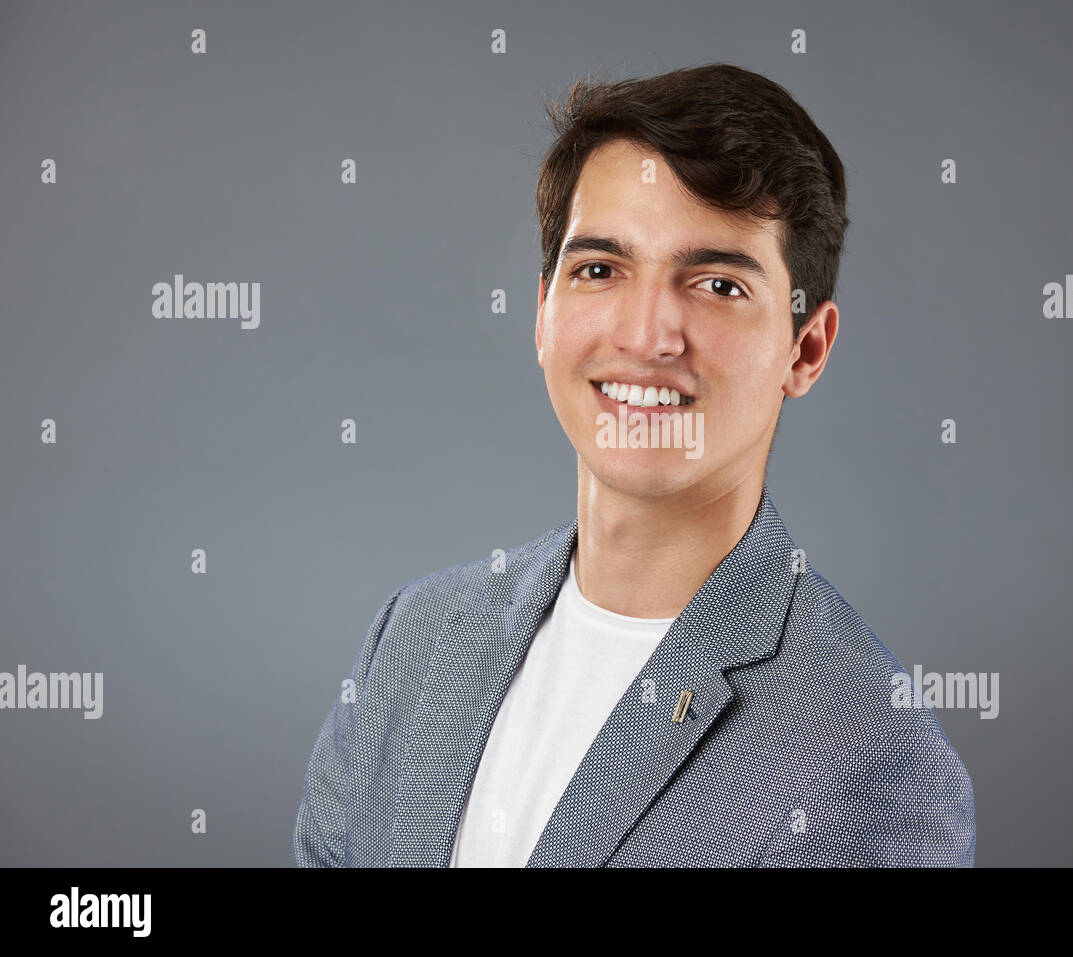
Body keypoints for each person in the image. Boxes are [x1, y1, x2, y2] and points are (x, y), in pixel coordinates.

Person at [293, 62, 974, 867]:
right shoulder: (413, 637)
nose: (647, 335)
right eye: (600, 270)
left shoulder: (873, 761)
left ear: (807, 347)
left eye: (718, 283)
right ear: (543, 312)